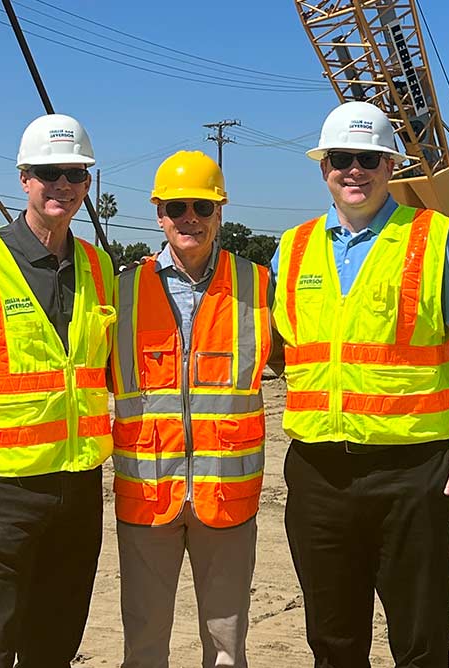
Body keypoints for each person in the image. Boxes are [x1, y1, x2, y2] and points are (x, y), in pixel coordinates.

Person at [270, 101, 449, 668]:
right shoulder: (291, 250)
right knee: (333, 643)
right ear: (324, 167)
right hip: (319, 473)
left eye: (368, 158)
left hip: (412, 472)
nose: (354, 170)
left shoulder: (434, 238)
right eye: (341, 158)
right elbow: (276, 351)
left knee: (420, 646)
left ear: (390, 166)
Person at [0, 114, 116, 667]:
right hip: (0, 494)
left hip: (78, 489)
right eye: (48, 173)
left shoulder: (99, 267)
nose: (62, 185)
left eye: (75, 174)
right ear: (24, 179)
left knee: (55, 647)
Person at [109, 150, 272, 668]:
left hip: (225, 502)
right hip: (147, 500)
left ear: (219, 212)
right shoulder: (121, 292)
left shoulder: (258, 288)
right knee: (143, 646)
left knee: (227, 649)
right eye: (177, 207)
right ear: (159, 214)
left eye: (202, 207)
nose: (190, 219)